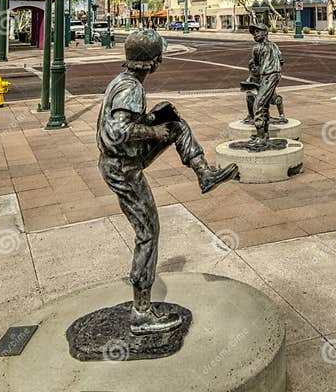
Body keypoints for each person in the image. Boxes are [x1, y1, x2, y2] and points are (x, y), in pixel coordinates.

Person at [96, 29, 238, 335]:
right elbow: (117, 132)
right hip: (123, 167)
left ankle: (204, 173)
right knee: (148, 233)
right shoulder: (130, 89)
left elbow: (125, 125)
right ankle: (141, 312)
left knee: (173, 122)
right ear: (153, 62)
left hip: (124, 160)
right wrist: (152, 132)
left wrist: (152, 120)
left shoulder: (125, 82)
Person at [248, 22, 283, 147]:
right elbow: (282, 60)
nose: (255, 34)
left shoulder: (257, 48)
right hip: (273, 75)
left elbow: (255, 63)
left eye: (258, 31)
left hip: (269, 76)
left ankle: (261, 138)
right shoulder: (274, 46)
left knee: (258, 105)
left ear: (265, 32)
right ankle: (265, 133)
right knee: (265, 105)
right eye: (253, 33)